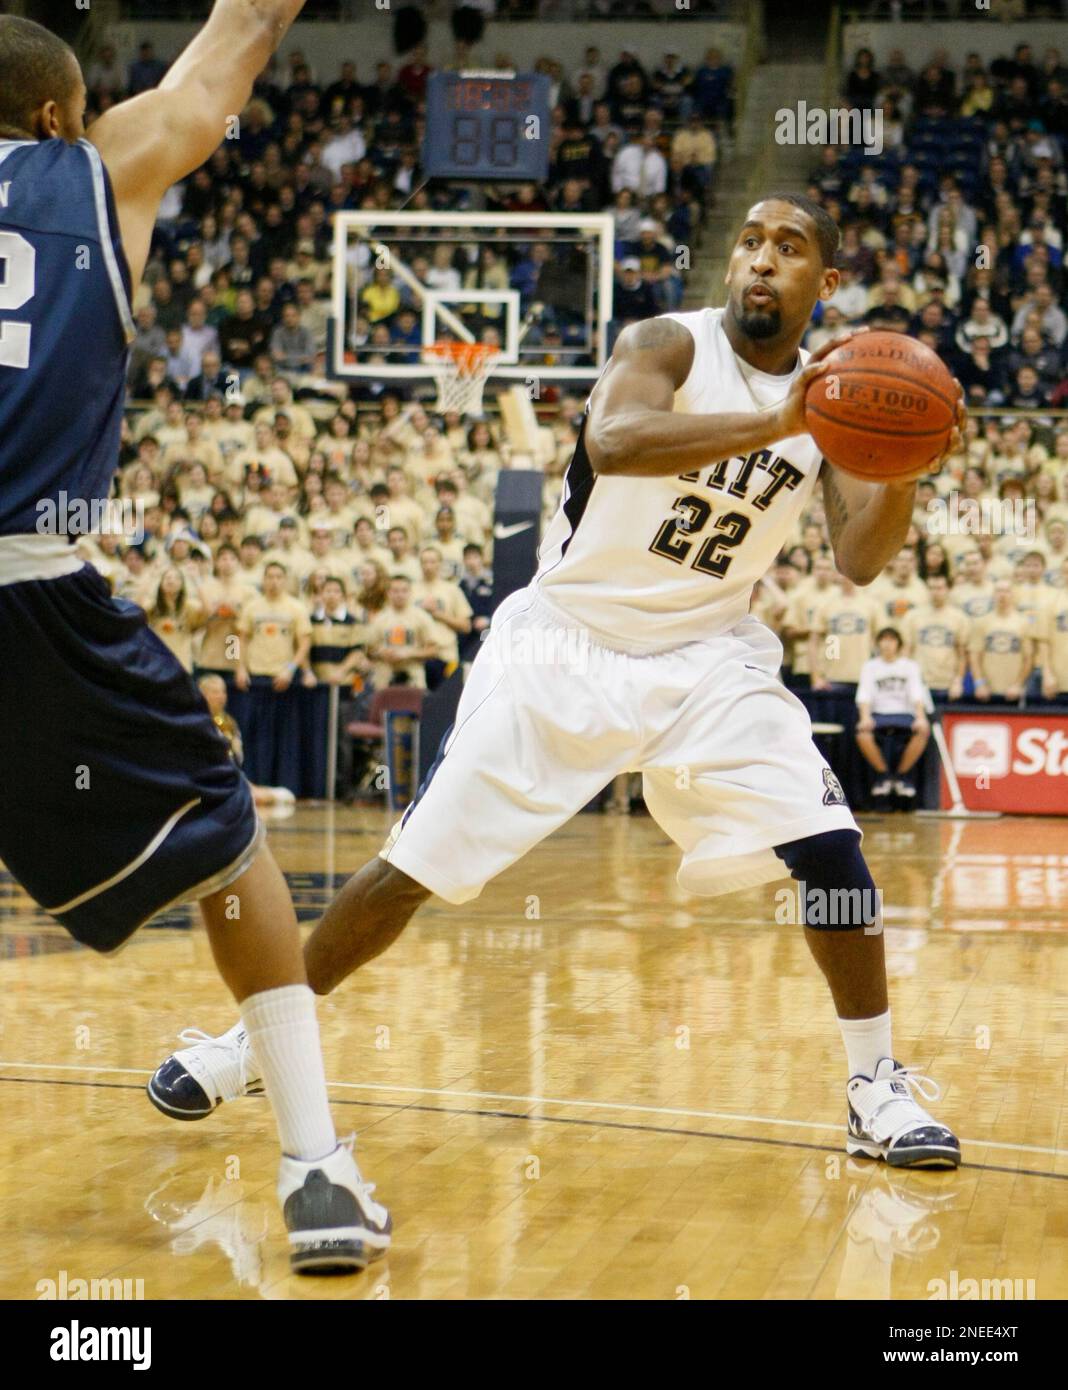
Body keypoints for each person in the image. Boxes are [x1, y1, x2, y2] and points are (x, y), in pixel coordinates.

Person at [156, 193, 965, 1173]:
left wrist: (909, 465)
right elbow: (616, 442)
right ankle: (258, 1041)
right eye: (748, 240)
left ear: (825, 285)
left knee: (832, 848)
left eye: (788, 249)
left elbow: (861, 559)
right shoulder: (667, 343)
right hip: (567, 647)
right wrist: (773, 417)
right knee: (415, 864)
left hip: (709, 657)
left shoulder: (830, 403)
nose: (759, 259)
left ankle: (873, 1085)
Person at [0, 8, 387, 1273]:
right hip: (33, 594)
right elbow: (242, 34)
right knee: (226, 843)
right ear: (60, 114)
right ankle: (316, 1169)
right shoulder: (100, 170)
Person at [855, 628, 931, 802]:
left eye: (891, 639)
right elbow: (864, 694)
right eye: (883, 639)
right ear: (878, 643)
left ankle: (902, 777)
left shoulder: (910, 666)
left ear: (899, 644)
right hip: (879, 714)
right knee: (863, 734)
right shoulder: (870, 666)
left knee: (922, 731)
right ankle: (885, 776)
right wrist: (865, 717)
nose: (887, 643)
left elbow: (916, 694)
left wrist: (920, 717)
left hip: (904, 714)